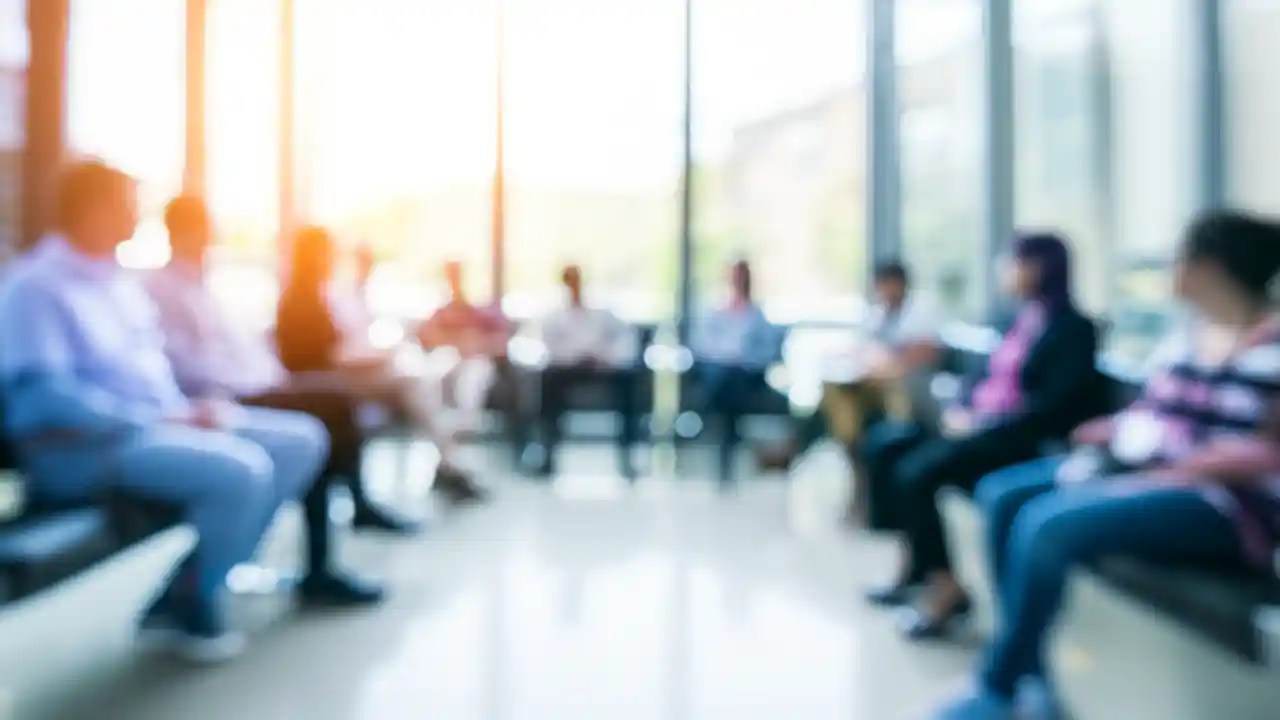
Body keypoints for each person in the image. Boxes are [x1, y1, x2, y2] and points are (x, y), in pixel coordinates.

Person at [937, 212, 1280, 720]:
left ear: (1210, 267)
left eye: (1181, 258)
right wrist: (1116, 430)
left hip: (1221, 499)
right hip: (1146, 468)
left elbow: (1265, 450)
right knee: (1001, 494)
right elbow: (1158, 411)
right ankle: (1031, 671)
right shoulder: (1191, 333)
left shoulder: (1269, 344)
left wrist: (1179, 466)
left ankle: (1000, 686)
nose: (1172, 268)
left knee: (1047, 524)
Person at [0, 161, 336, 662]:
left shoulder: (117, 281)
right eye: (129, 206)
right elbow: (45, 396)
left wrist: (186, 407)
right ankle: (192, 601)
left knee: (301, 439)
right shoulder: (36, 287)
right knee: (241, 472)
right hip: (85, 449)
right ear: (91, 210)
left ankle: (194, 583)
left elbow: (150, 370)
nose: (138, 219)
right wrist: (156, 419)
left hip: (155, 427)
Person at [862, 233, 1103, 640]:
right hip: (980, 427)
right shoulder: (1017, 321)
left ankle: (945, 588)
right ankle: (916, 567)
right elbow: (980, 377)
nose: (1006, 271)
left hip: (1019, 439)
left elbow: (1053, 407)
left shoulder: (1074, 329)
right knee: (885, 446)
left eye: (1014, 262)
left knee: (917, 472)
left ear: (1040, 268)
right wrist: (960, 409)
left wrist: (984, 423)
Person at [146, 196, 417, 541]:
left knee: (330, 406)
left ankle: (340, 532)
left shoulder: (204, 287)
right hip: (227, 394)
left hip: (257, 382)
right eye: (203, 228)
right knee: (331, 404)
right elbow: (188, 365)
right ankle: (335, 539)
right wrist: (250, 380)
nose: (210, 236)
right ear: (182, 231)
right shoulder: (163, 289)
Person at [275, 227, 487, 504]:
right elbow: (319, 356)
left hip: (340, 375)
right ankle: (448, 456)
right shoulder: (302, 300)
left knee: (419, 379)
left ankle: (447, 457)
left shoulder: (321, 295)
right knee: (412, 382)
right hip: (326, 380)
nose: (331, 259)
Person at [536, 265, 641, 479]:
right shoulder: (554, 317)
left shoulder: (603, 314)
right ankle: (548, 454)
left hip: (604, 365)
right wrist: (578, 355)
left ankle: (627, 456)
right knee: (548, 381)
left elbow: (625, 340)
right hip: (568, 368)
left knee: (630, 382)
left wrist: (606, 357)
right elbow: (552, 350)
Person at [689, 260, 785, 484]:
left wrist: (744, 358)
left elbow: (769, 351)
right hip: (718, 368)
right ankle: (729, 433)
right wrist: (725, 355)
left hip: (746, 373)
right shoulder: (713, 313)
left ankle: (717, 423)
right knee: (723, 377)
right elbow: (701, 347)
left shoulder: (758, 316)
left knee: (730, 381)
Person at [416, 261, 507, 440]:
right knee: (435, 372)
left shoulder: (482, 312)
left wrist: (477, 343)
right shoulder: (441, 312)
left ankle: (466, 425)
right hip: (449, 357)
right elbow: (424, 338)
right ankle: (438, 427)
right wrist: (454, 341)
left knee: (472, 380)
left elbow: (500, 343)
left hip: (476, 360)